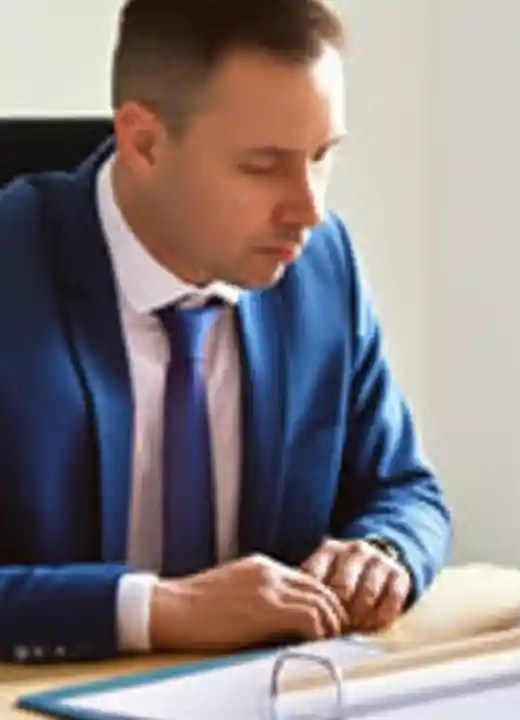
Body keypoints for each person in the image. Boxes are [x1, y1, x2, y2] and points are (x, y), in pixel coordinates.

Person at [0, 0, 451, 663]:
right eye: (263, 166)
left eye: (323, 156)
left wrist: (384, 553)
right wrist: (161, 611)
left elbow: (404, 490)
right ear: (144, 143)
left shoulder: (321, 268)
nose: (310, 209)